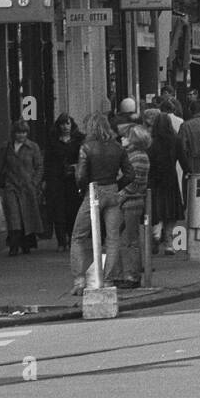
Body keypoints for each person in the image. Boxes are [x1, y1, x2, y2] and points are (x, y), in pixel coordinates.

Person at [70, 112, 134, 294]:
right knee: (113, 237)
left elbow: (81, 176)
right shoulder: (118, 147)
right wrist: (116, 185)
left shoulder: (86, 147)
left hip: (93, 190)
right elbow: (130, 174)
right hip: (112, 190)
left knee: (79, 235)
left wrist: (83, 189)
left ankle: (80, 280)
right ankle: (108, 279)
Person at [0, 120, 45, 256]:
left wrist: (35, 182)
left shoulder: (32, 147)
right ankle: (14, 245)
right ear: (13, 133)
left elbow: (39, 166)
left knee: (26, 216)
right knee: (14, 216)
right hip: (11, 186)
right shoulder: (6, 147)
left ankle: (26, 244)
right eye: (18, 132)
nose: (21, 135)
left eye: (24, 132)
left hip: (27, 187)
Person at [43, 114, 85, 251]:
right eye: (62, 124)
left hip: (73, 180)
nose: (65, 127)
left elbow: (84, 158)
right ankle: (61, 241)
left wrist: (76, 168)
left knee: (72, 209)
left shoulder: (79, 140)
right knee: (58, 210)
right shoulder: (52, 141)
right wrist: (46, 179)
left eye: (67, 124)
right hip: (57, 179)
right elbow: (47, 161)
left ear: (71, 124)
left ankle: (72, 238)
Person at [117, 125, 151, 289]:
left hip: (131, 201)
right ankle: (125, 273)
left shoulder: (138, 157)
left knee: (130, 240)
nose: (122, 138)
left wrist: (119, 196)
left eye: (125, 136)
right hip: (129, 200)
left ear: (133, 139)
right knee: (124, 239)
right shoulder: (133, 155)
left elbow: (134, 182)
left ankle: (132, 276)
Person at [148, 99, 184, 255]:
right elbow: (183, 159)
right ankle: (170, 244)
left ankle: (156, 233)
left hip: (155, 180)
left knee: (157, 210)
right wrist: (189, 171)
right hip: (171, 178)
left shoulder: (152, 142)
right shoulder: (175, 140)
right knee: (172, 213)